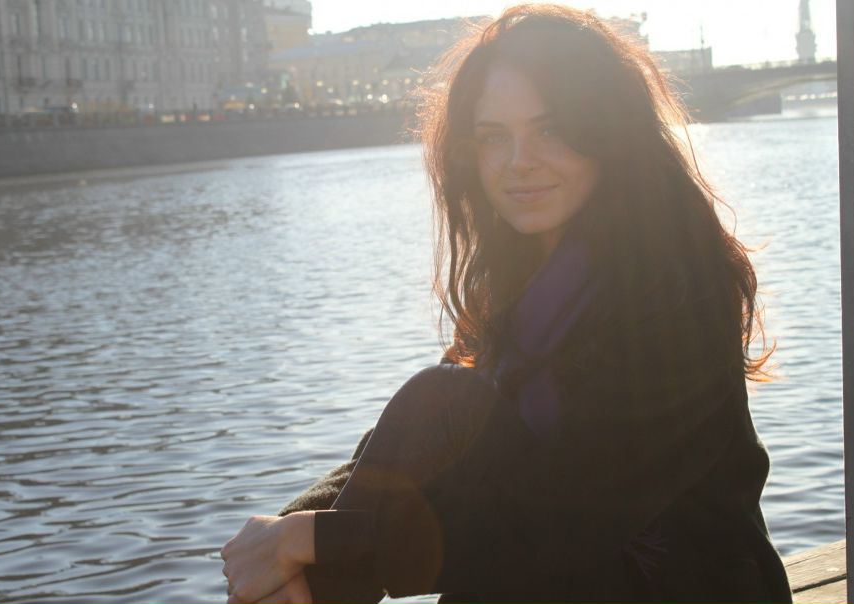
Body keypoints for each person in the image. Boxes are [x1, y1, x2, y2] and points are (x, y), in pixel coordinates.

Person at [221, 4, 793, 603]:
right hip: (558, 570)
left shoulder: (679, 288)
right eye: (494, 137)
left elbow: (568, 521)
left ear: (607, 133)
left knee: (446, 412)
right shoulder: (522, 282)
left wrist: (317, 539)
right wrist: (295, 524)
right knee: (443, 400)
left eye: (549, 129)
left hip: (678, 583)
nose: (519, 161)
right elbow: (413, 446)